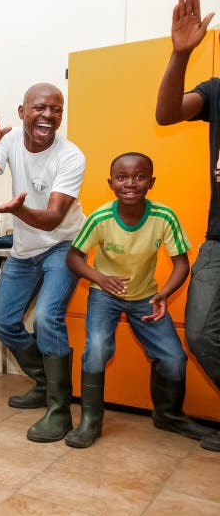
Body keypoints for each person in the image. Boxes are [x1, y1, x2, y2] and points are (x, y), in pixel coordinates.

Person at [65, 152, 215, 448]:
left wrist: (164, 294)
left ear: (151, 182)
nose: (130, 183)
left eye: (139, 177)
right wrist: (99, 278)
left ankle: (168, 415)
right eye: (122, 177)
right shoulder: (101, 217)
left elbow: (182, 264)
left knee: (174, 357)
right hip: (104, 295)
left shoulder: (163, 216)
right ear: (111, 183)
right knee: (97, 348)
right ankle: (91, 420)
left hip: (147, 297)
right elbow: (74, 257)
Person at [0, 83, 86, 443]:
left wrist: (18, 209)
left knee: (48, 318)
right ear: (22, 112)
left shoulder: (71, 156)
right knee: (3, 322)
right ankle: (44, 382)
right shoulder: (9, 141)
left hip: (62, 245)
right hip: (25, 248)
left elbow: (52, 219)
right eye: (39, 108)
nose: (48, 115)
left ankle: (59, 409)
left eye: (56, 109)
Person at [155, 0, 220, 453]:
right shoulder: (217, 90)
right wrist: (180, 54)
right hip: (218, 241)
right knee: (199, 332)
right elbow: (165, 114)